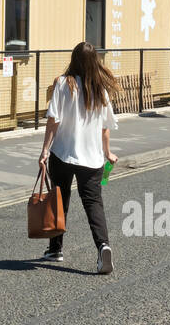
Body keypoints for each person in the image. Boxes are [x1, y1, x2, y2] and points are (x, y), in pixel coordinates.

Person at [36, 41, 118, 274]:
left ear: (73, 59)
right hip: (92, 159)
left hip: (62, 153)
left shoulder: (63, 84)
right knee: (93, 203)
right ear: (95, 63)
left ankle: (55, 248)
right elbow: (105, 128)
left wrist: (44, 150)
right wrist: (107, 153)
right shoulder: (100, 90)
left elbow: (54, 120)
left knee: (59, 200)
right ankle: (103, 247)